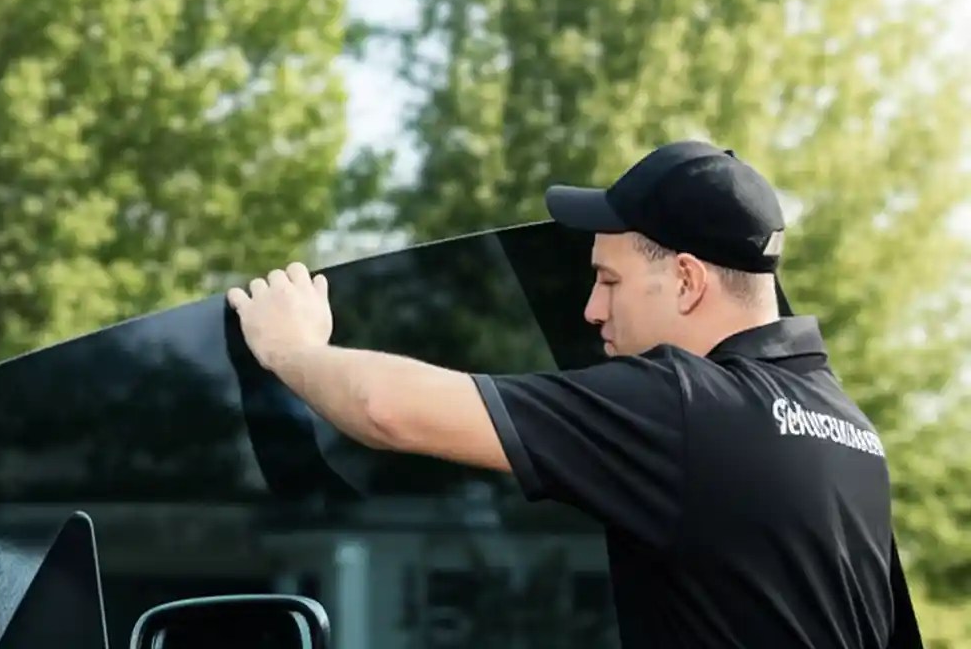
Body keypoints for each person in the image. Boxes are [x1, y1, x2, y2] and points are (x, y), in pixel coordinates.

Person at [225, 140, 917, 648]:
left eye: (609, 281)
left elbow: (386, 411)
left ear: (685, 281)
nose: (591, 308)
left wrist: (290, 348)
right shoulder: (849, 432)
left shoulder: (683, 407)